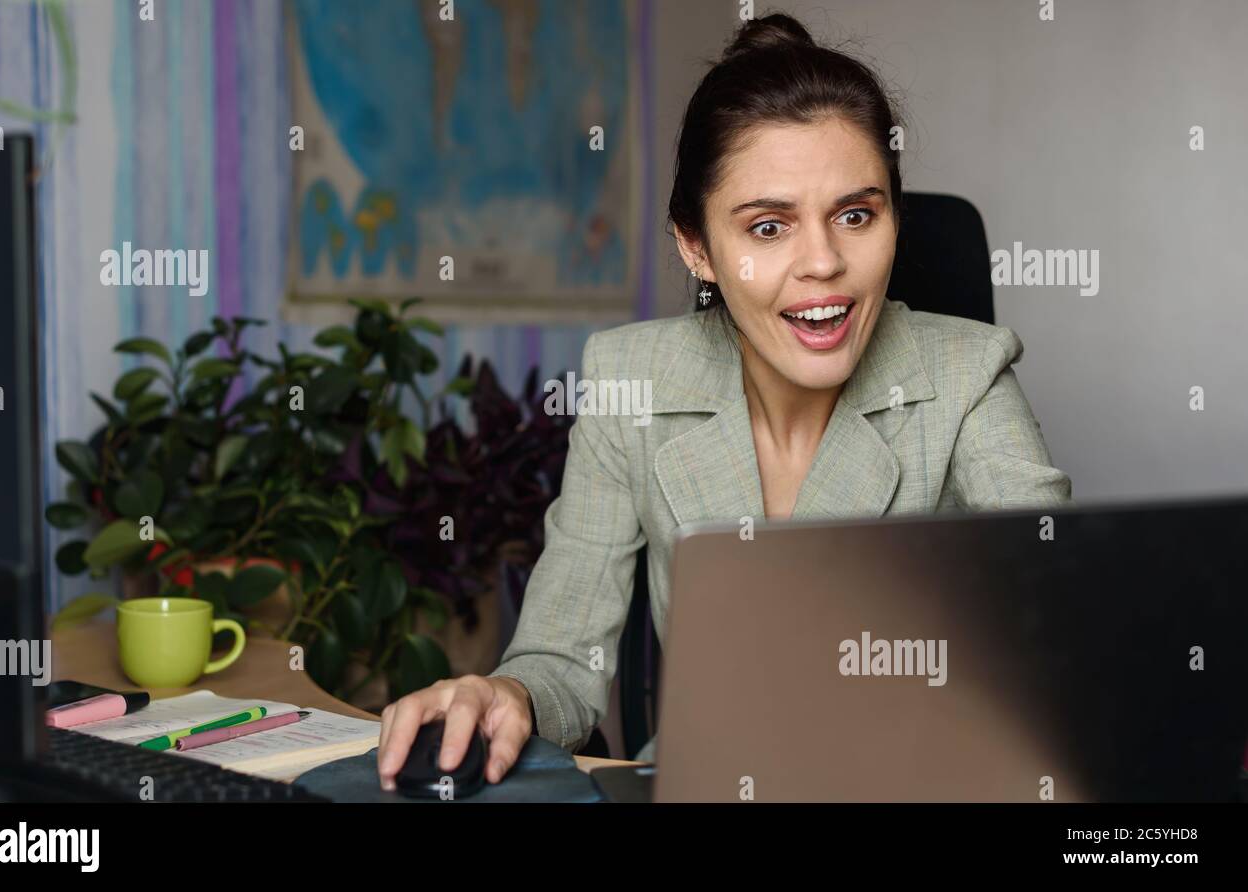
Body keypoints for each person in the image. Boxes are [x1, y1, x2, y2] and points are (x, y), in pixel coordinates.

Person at [376, 12, 1073, 790]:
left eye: (856, 215)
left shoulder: (969, 371)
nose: (823, 264)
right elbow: (562, 661)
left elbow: (1065, 630)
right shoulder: (627, 380)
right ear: (696, 246)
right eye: (768, 227)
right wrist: (503, 692)